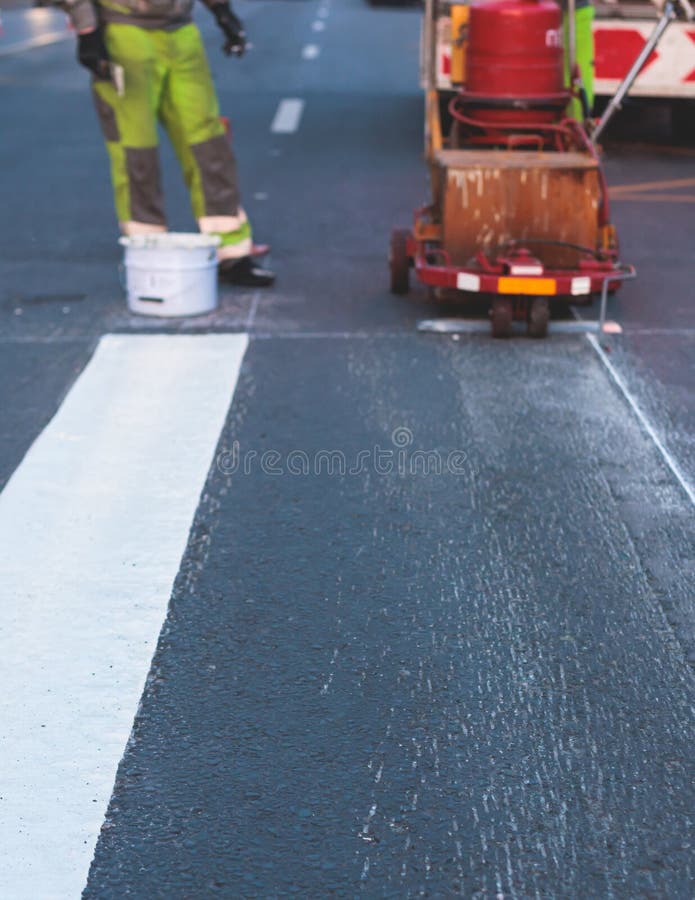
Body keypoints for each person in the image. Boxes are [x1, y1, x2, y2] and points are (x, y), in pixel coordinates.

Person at [57, 0, 275, 286]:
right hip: (124, 33)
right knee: (136, 150)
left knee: (210, 144)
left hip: (181, 32)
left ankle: (231, 250)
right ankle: (148, 255)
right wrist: (87, 29)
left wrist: (221, 10)